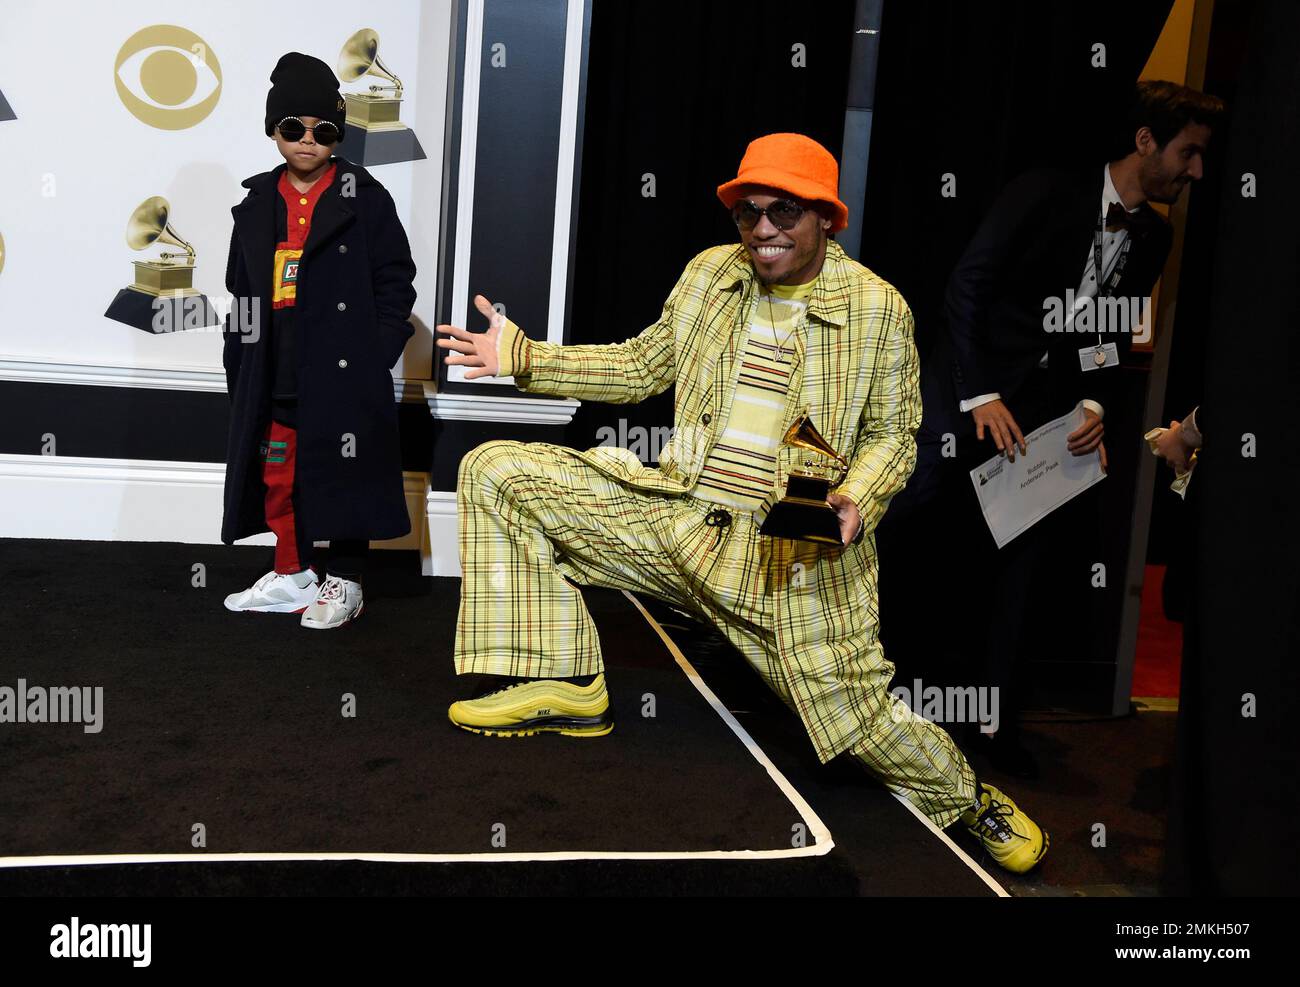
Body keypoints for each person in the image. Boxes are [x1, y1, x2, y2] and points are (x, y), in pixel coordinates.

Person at [436, 133, 1048, 873]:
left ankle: (967, 798)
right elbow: (639, 365)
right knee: (498, 470)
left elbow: (896, 434)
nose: (762, 229)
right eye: (749, 212)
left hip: (788, 559)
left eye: (784, 212)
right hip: (681, 520)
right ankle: (565, 680)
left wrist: (858, 496)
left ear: (827, 217)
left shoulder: (877, 307)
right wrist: (524, 358)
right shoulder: (708, 277)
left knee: (862, 726)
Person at [878, 81, 1223, 777]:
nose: (1197, 171)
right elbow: (967, 286)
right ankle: (868, 700)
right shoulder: (1043, 192)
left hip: (1047, 414)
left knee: (1022, 563)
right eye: (1188, 152)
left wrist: (1095, 404)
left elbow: (1103, 335)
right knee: (910, 523)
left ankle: (991, 729)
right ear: (1146, 141)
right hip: (966, 387)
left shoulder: (1152, 234)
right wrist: (978, 395)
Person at [220, 52, 417, 629]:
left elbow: (394, 278)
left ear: (338, 135)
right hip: (275, 358)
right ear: (272, 130)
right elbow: (240, 288)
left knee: (345, 470)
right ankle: (292, 571)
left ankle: (347, 580)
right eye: (293, 128)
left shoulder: (365, 195)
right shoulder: (256, 202)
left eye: (323, 130)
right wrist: (241, 352)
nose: (307, 141)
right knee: (278, 467)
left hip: (345, 362)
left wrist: (379, 349)